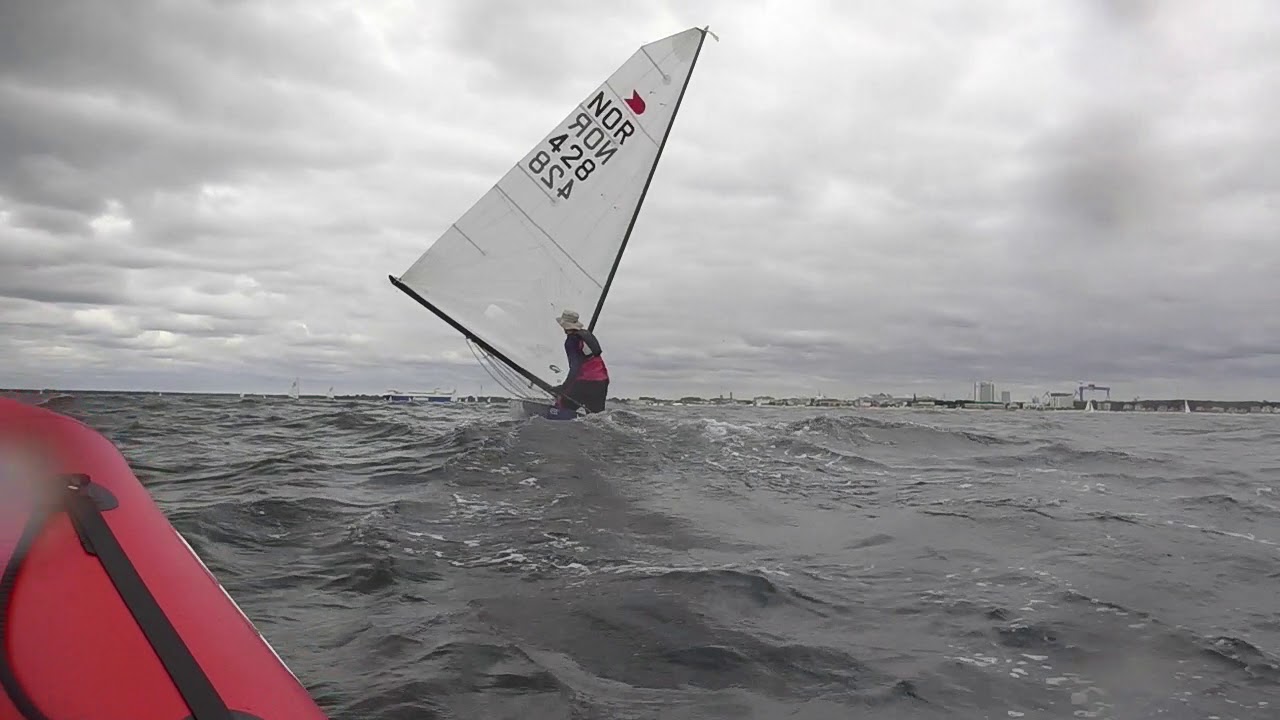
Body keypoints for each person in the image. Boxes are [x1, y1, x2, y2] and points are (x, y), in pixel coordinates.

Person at [553, 309, 610, 413]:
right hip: (602, 381)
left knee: (562, 406)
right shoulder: (588, 335)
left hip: (585, 382)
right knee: (596, 417)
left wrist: (563, 388)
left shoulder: (571, 341)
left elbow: (575, 368)